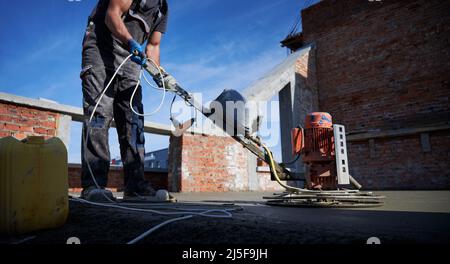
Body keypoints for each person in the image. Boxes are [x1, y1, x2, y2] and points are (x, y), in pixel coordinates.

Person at [80, 0, 169, 201]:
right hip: (101, 51)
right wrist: (130, 42)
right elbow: (112, 15)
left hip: (130, 61)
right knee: (99, 115)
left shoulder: (162, 9)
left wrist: (159, 75)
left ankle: (135, 185)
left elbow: (153, 46)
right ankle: (93, 184)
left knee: (133, 120)